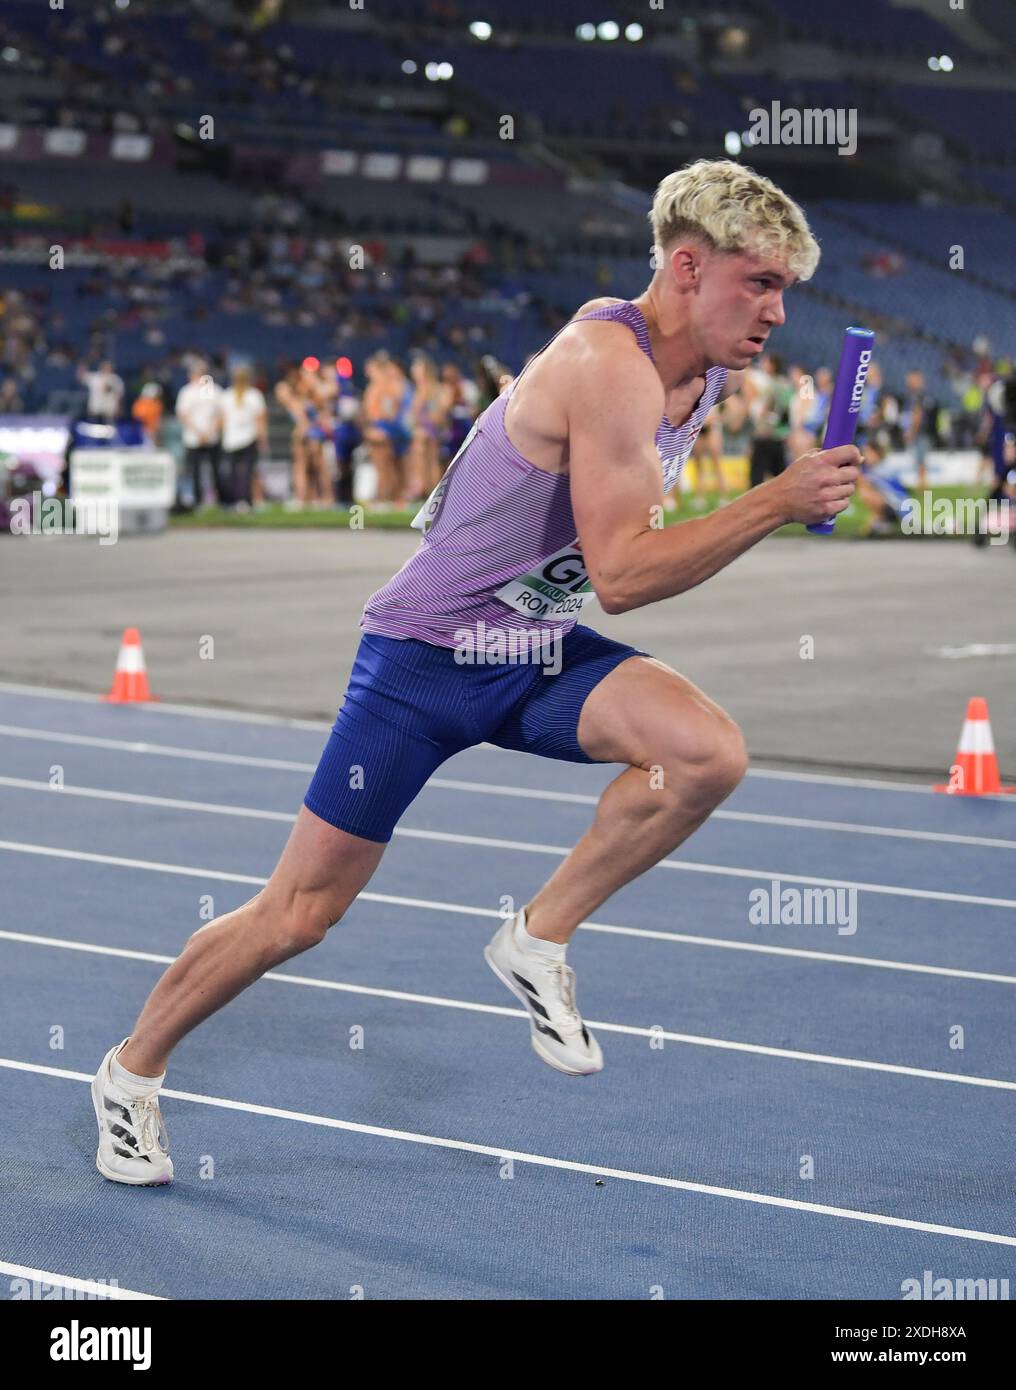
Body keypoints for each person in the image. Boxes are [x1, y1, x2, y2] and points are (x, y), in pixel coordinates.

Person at [90, 158, 859, 1186]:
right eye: (757, 283)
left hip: (529, 649)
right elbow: (624, 576)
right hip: (422, 660)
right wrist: (773, 501)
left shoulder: (705, 373)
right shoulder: (605, 360)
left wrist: (776, 502)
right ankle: (130, 1072)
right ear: (685, 267)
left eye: (782, 291)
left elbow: (609, 548)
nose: (774, 311)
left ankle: (535, 938)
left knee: (702, 754)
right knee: (299, 915)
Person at [175, 361, 223, 510]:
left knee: (213, 470)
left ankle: (214, 499)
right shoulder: (188, 392)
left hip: (204, 437)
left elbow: (220, 414)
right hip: (197, 438)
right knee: (197, 470)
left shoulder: (213, 391)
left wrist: (206, 432)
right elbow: (183, 415)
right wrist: (204, 432)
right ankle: (200, 500)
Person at [219, 365, 267, 511]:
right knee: (247, 472)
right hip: (248, 438)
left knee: (232, 472)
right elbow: (260, 420)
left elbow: (222, 420)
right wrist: (263, 439)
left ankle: (233, 501)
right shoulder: (254, 395)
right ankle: (246, 500)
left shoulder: (226, 396)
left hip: (231, 439)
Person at [78, 359, 124, 424]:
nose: (107, 369)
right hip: (95, 410)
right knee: (94, 430)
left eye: (109, 367)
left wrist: (118, 408)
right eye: (105, 367)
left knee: (109, 430)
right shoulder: (95, 377)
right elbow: (81, 376)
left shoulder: (116, 380)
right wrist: (86, 361)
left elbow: (119, 396)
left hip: (109, 412)